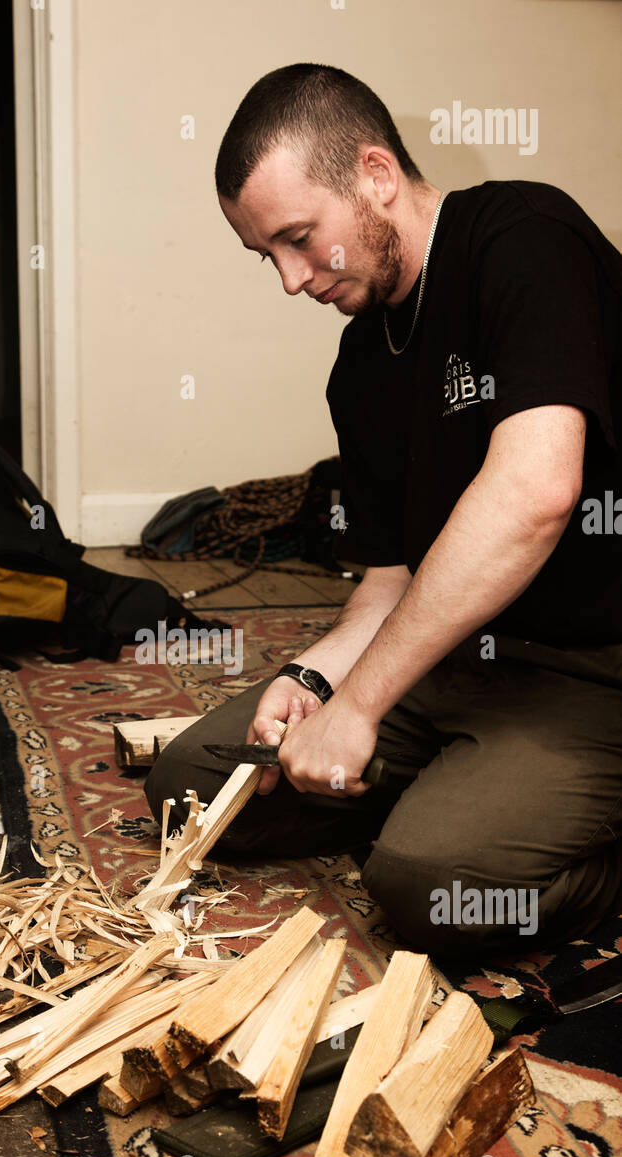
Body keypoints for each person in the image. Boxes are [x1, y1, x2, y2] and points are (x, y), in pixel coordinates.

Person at [145, 63, 622, 959]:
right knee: (191, 788)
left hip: (593, 669)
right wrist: (316, 681)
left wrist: (360, 707)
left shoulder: (525, 236)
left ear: (375, 175)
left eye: (297, 238)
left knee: (431, 888)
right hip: (452, 652)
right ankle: (462, 794)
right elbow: (390, 579)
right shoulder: (360, 364)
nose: (290, 280)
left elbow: (536, 494)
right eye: (266, 256)